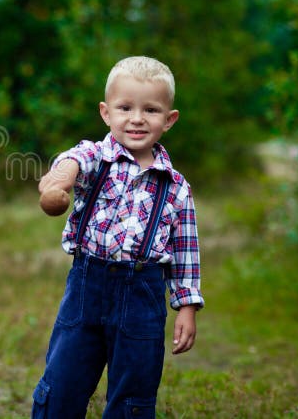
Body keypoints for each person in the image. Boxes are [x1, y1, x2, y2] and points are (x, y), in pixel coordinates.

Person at [31, 56, 204, 419]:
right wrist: (62, 178)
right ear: (106, 113)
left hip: (143, 294)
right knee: (63, 381)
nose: (137, 118)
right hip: (87, 286)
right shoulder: (97, 158)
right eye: (125, 108)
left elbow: (185, 251)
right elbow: (74, 158)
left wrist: (186, 306)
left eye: (151, 110)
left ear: (169, 120)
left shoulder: (176, 187)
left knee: (134, 391)